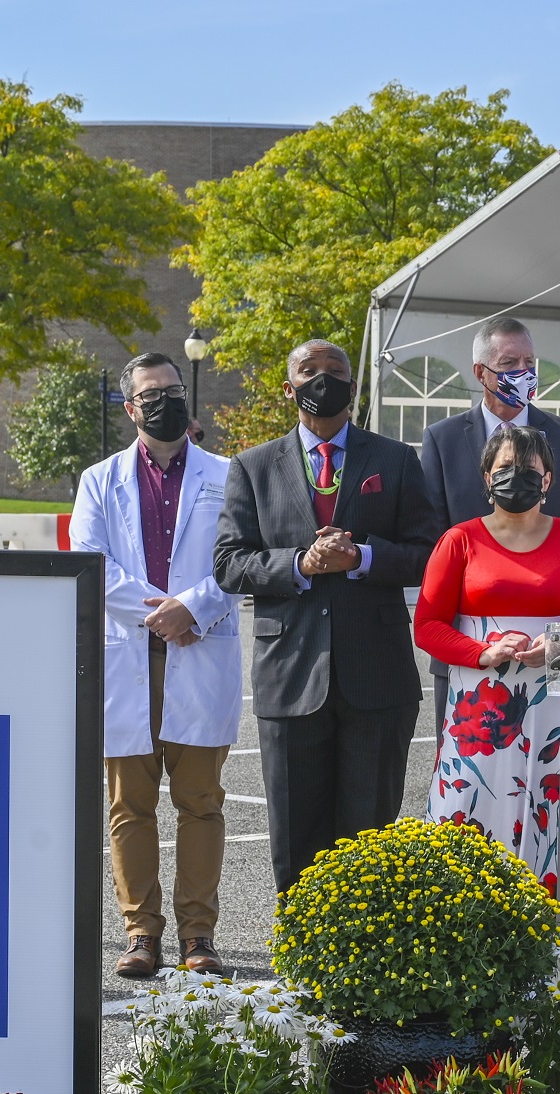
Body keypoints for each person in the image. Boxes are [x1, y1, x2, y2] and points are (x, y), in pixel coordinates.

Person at [214, 339, 443, 894]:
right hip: (290, 675)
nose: (323, 379)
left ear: (353, 386)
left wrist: (361, 557)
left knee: (371, 837)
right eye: (309, 370)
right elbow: (229, 564)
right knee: (296, 834)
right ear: (288, 388)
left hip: (377, 678)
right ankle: (299, 939)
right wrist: (300, 563)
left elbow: (429, 552)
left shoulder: (395, 459)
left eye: (335, 370)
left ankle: (365, 942)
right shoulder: (252, 466)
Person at [72, 353, 242, 978]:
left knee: (201, 803)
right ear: (130, 408)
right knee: (129, 806)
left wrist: (193, 608)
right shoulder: (100, 480)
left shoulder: (228, 474)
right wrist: (162, 614)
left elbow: (240, 558)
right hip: (130, 656)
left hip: (200, 647)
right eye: (151, 394)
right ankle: (141, 933)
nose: (165, 400)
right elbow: (91, 562)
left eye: (174, 390)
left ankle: (198, 936)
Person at [414, 424, 560, 890]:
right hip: (478, 716)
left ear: (548, 480)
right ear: (487, 477)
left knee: (551, 814)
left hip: (555, 707)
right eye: (505, 467)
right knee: (469, 811)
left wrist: (559, 647)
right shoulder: (458, 540)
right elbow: (428, 626)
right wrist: (483, 652)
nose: (517, 476)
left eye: (528, 469)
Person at [420, 316, 560, 740]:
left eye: (530, 363)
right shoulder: (442, 439)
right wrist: (479, 645)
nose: (523, 372)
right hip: (469, 661)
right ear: (480, 372)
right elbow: (432, 537)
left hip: (556, 664)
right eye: (509, 363)